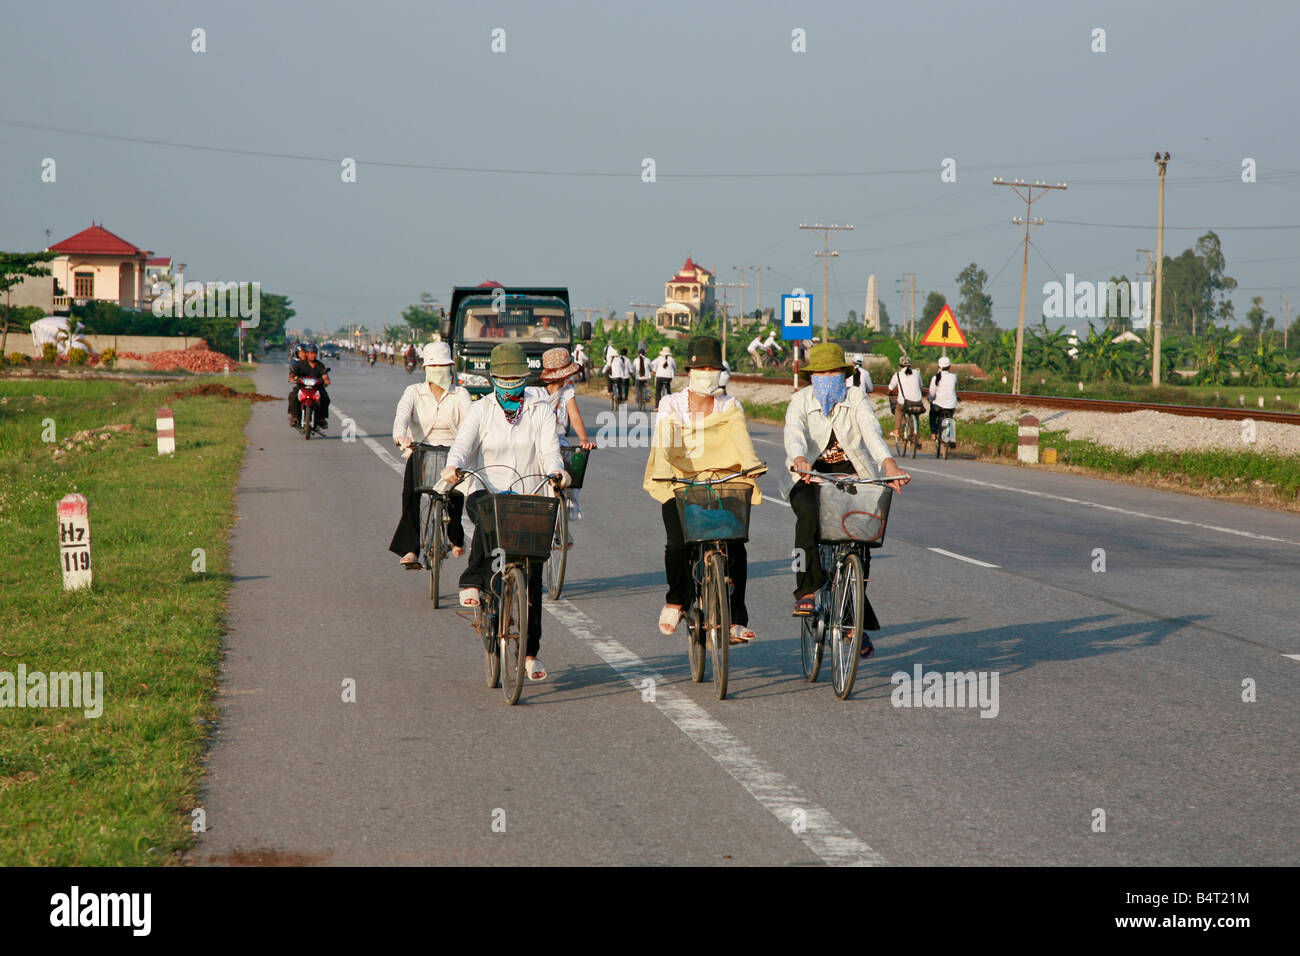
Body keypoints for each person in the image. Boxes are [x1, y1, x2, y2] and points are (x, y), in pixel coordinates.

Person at [441, 344, 569, 682]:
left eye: (515, 377)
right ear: (493, 377)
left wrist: (557, 473)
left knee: (533, 579)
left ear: (524, 377)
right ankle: (472, 581)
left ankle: (530, 654)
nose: (509, 382)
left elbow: (550, 450)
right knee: (486, 515)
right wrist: (454, 466)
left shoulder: (541, 410)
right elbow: (463, 443)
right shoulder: (480, 409)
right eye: (503, 377)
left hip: (529, 496)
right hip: (488, 488)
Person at [785, 343, 910, 657]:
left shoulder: (855, 398)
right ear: (812, 377)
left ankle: (851, 615)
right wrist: (799, 459)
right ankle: (807, 591)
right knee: (808, 518)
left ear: (844, 374)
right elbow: (794, 433)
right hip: (811, 476)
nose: (828, 378)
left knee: (863, 535)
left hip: (854, 475)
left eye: (834, 372)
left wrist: (888, 463)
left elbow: (871, 431)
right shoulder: (799, 401)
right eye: (822, 373)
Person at [644, 336, 766, 645]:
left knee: (736, 545)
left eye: (714, 367)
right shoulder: (671, 403)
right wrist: (661, 467)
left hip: (724, 482)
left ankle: (736, 620)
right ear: (690, 371)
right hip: (680, 482)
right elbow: (667, 438)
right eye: (702, 367)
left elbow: (740, 437)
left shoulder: (730, 405)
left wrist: (751, 463)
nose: (708, 373)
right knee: (677, 543)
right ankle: (676, 602)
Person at [389, 342, 472, 568]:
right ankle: (410, 548)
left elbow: (469, 424)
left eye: (444, 366)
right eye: (435, 367)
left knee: (455, 495)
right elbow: (402, 417)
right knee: (410, 494)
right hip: (421, 451)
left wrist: (465, 448)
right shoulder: (414, 392)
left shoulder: (461, 394)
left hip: (452, 452)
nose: (440, 371)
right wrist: (401, 437)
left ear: (451, 368)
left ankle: (455, 537)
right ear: (426, 369)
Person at [526, 347, 596, 525]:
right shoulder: (533, 393)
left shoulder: (567, 393)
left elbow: (575, 417)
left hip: (559, 442)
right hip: (536, 442)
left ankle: (560, 524)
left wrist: (584, 440)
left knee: (568, 475)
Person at [288, 343, 331, 428]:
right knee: (292, 396)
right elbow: (292, 374)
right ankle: (295, 417)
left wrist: (326, 381)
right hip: (302, 387)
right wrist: (292, 379)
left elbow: (325, 376)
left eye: (315, 353)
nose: (313, 355)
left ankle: (322, 419)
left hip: (316, 388)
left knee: (325, 398)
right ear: (307, 354)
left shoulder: (320, 365)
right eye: (311, 353)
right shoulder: (300, 364)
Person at [887, 355, 926, 439]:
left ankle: (896, 431)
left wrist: (889, 392)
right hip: (918, 402)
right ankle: (916, 435)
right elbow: (921, 385)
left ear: (900, 365)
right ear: (910, 365)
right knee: (915, 414)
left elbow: (890, 388)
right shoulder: (916, 373)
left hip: (905, 403)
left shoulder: (897, 375)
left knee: (898, 410)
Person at [928, 355, 959, 442]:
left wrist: (930, 399)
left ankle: (933, 433)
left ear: (939, 366)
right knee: (950, 417)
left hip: (938, 405)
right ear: (949, 367)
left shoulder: (935, 378)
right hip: (951, 404)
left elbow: (931, 393)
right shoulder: (954, 377)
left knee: (932, 414)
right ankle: (951, 437)